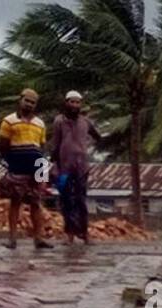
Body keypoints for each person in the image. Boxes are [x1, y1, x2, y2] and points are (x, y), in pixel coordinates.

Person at [0, 88, 52, 250]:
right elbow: (3, 147)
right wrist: (12, 163)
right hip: (17, 169)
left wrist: (42, 174)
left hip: (36, 168)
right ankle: (12, 239)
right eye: (27, 101)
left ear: (36, 105)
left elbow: (42, 149)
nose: (29, 104)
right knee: (15, 202)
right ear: (20, 100)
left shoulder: (40, 123)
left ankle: (39, 239)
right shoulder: (9, 121)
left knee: (36, 203)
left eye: (32, 102)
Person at [49, 90, 101, 245]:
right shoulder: (59, 121)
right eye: (72, 102)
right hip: (64, 168)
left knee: (81, 200)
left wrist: (86, 148)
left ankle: (84, 233)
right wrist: (54, 164)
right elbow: (55, 144)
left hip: (81, 168)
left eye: (77, 102)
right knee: (66, 200)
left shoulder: (86, 122)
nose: (75, 105)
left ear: (80, 105)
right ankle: (69, 234)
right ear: (66, 103)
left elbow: (97, 136)